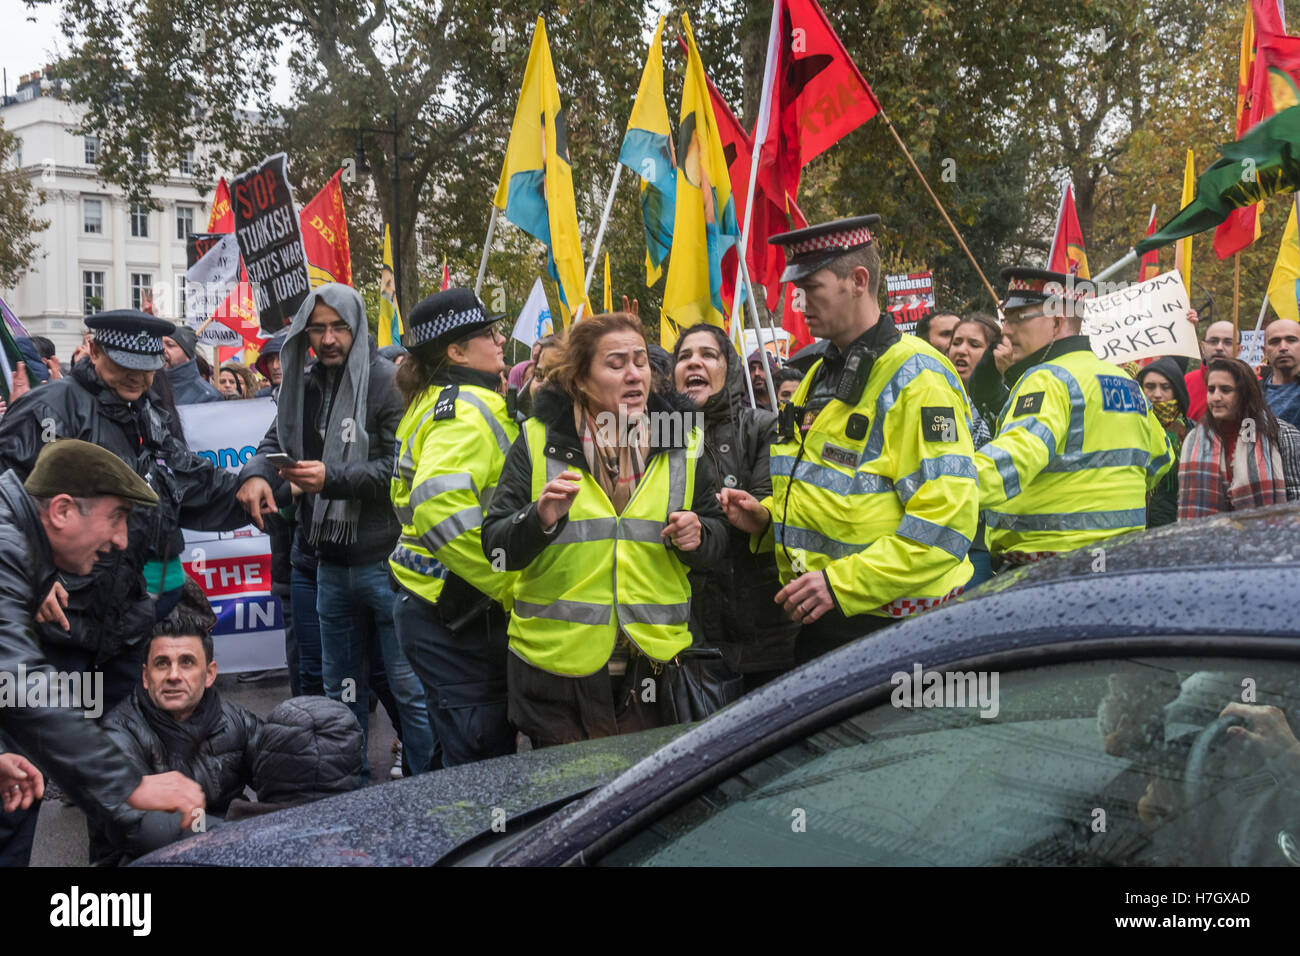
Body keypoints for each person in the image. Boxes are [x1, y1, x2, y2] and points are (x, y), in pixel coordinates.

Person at [718, 216, 979, 665]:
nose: (799, 303)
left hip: (896, 631)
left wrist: (843, 583)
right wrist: (766, 521)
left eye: (812, 287)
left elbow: (946, 525)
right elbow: (831, 496)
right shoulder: (820, 373)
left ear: (858, 281)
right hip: (831, 619)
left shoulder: (920, 378)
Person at [482, 311, 729, 746]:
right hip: (556, 672)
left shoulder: (682, 439)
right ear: (580, 378)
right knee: (572, 800)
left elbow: (717, 537)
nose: (635, 375)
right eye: (616, 364)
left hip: (652, 666)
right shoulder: (537, 439)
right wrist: (538, 519)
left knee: (643, 802)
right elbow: (497, 547)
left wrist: (700, 535)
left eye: (641, 361)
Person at [0, 310, 250, 712]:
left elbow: (189, 482)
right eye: (125, 366)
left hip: (122, 625)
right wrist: (35, 574)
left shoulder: (147, 412)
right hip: (59, 626)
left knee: (114, 740)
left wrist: (259, 486)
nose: (137, 377)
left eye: (148, 369)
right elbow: (6, 497)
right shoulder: (50, 407)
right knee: (55, 745)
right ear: (94, 351)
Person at [236, 284, 434, 777]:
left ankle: (431, 788)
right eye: (318, 328)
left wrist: (332, 478)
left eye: (338, 327)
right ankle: (350, 794)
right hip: (325, 563)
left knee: (408, 688)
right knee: (338, 690)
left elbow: (400, 471)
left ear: (356, 327)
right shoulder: (299, 384)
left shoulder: (389, 383)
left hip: (385, 564)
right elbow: (270, 441)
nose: (327, 338)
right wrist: (256, 473)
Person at [0, 440, 205, 867]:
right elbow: (21, 685)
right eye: (116, 517)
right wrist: (128, 784)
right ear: (61, 511)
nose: (121, 539)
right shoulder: (7, 549)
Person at [389, 288, 519, 768]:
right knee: (481, 767)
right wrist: (508, 582)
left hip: (432, 605)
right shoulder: (464, 406)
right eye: (488, 333)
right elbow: (438, 508)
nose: (500, 338)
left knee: (455, 757)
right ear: (456, 352)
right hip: (458, 613)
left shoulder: (439, 400)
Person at [976, 268, 1174, 566]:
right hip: (1116, 566)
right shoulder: (1125, 382)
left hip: (1048, 570)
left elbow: (1013, 460)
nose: (1006, 330)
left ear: (1056, 322)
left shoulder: (1048, 379)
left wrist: (942, 485)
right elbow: (1162, 460)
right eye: (1007, 319)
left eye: (1018, 318)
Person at [92, 579, 262, 864]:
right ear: (145, 677)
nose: (173, 675)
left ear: (209, 674)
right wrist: (240, 836)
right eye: (162, 663)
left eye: (186, 662)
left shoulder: (237, 721)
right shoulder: (116, 733)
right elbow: (143, 828)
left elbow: (286, 774)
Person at [672, 322, 799, 688]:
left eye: (708, 355)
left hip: (764, 625)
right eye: (684, 356)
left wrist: (759, 516)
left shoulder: (763, 426)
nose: (694, 363)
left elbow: (771, 501)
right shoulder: (660, 431)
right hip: (690, 634)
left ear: (728, 368)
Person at [1178, 357, 1300, 518]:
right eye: (1211, 389)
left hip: (1265, 538)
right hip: (1208, 539)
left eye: (1226, 390)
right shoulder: (1194, 439)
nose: (1216, 397)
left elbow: (1295, 503)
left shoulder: (1280, 434)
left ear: (1245, 394)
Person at [948, 314, 1002, 588]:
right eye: (956, 342)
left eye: (974, 344)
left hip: (981, 544)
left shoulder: (1008, 400)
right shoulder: (932, 394)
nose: (961, 350)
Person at [1137, 357, 1192, 528]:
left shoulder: (1192, 433)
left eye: (1165, 387)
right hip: (1139, 528)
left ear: (1177, 390)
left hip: (1179, 527)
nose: (1157, 395)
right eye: (1150, 387)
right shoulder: (1130, 429)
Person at [161, 326, 221, 404]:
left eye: (170, 345)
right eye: (160, 344)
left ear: (188, 355)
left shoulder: (208, 397)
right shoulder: (148, 386)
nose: (162, 349)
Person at [1184, 313, 1227, 421]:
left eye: (1228, 342)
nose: (1219, 347)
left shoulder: (1255, 384)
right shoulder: (1186, 382)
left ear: (1239, 349)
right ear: (1203, 347)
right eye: (1213, 341)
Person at [1262, 318, 1300, 431]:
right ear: (1265, 352)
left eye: (1291, 340)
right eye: (1274, 342)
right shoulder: (1251, 393)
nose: (1283, 347)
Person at [253, 329, 287, 397]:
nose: (275, 366)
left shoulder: (310, 395)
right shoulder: (259, 397)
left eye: (281, 359)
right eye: (270, 360)